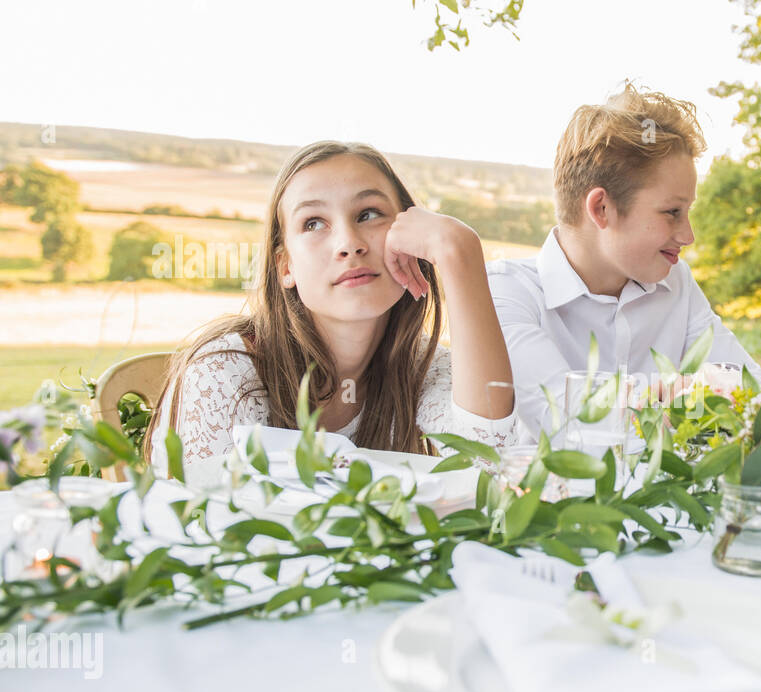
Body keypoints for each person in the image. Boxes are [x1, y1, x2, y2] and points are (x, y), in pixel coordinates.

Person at [145, 141, 515, 474]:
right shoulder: (227, 372)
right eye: (314, 223)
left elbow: (488, 459)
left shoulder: (418, 365)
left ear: (410, 238)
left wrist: (459, 252)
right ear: (285, 267)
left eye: (368, 214)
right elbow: (215, 531)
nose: (348, 243)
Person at [487, 84, 761, 439]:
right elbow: (568, 422)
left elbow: (758, 394)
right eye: (672, 212)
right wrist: (690, 399)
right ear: (601, 208)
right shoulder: (507, 293)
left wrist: (694, 400)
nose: (688, 236)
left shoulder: (676, 282)